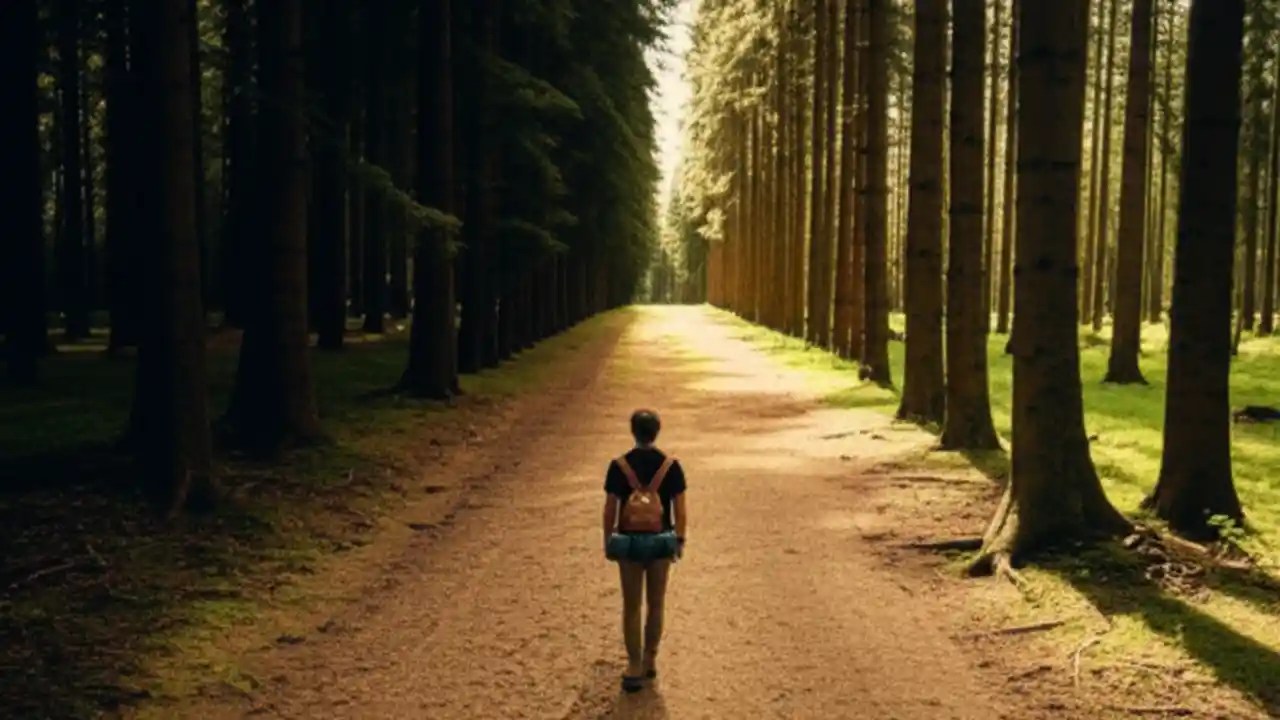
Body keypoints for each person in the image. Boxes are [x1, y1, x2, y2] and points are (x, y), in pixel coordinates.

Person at [603, 409, 687, 693]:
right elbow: (681, 509)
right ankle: (651, 658)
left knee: (631, 606)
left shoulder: (619, 466)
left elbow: (610, 508)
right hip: (661, 540)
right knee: (656, 603)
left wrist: (608, 540)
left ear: (633, 431)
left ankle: (634, 663)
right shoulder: (671, 466)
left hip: (628, 542)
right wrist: (680, 539)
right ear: (657, 431)